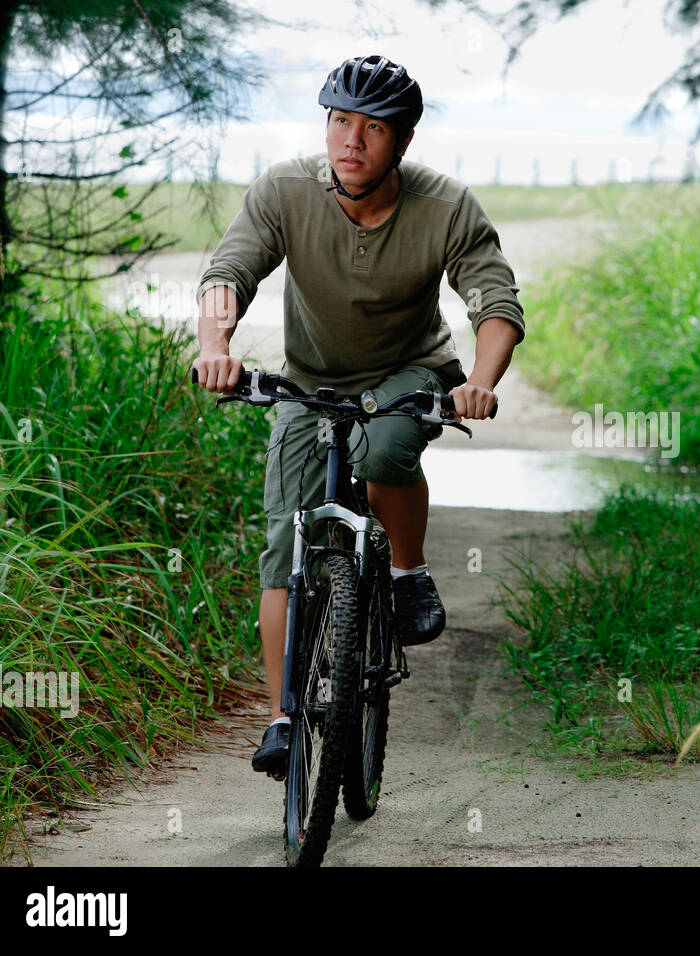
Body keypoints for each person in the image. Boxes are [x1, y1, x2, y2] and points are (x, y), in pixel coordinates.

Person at [190, 54, 524, 777]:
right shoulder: (285, 189)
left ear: (403, 140)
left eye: (373, 128)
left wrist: (481, 382)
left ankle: (406, 572)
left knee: (382, 451)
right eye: (341, 121)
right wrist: (215, 346)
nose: (351, 139)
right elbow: (228, 272)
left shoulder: (445, 206)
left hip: (408, 374)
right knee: (285, 545)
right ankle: (282, 718)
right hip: (311, 381)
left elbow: (494, 302)